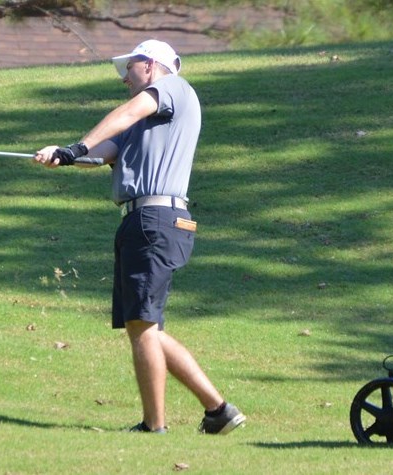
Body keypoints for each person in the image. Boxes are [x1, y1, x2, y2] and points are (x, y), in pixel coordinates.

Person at [34, 40, 245, 435]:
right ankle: (217, 410)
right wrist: (60, 156)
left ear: (150, 66)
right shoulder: (145, 126)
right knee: (144, 326)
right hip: (144, 221)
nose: (125, 79)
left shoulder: (173, 89)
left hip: (155, 218)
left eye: (128, 69)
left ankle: (154, 426)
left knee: (143, 324)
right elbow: (103, 153)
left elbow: (127, 111)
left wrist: (73, 146)